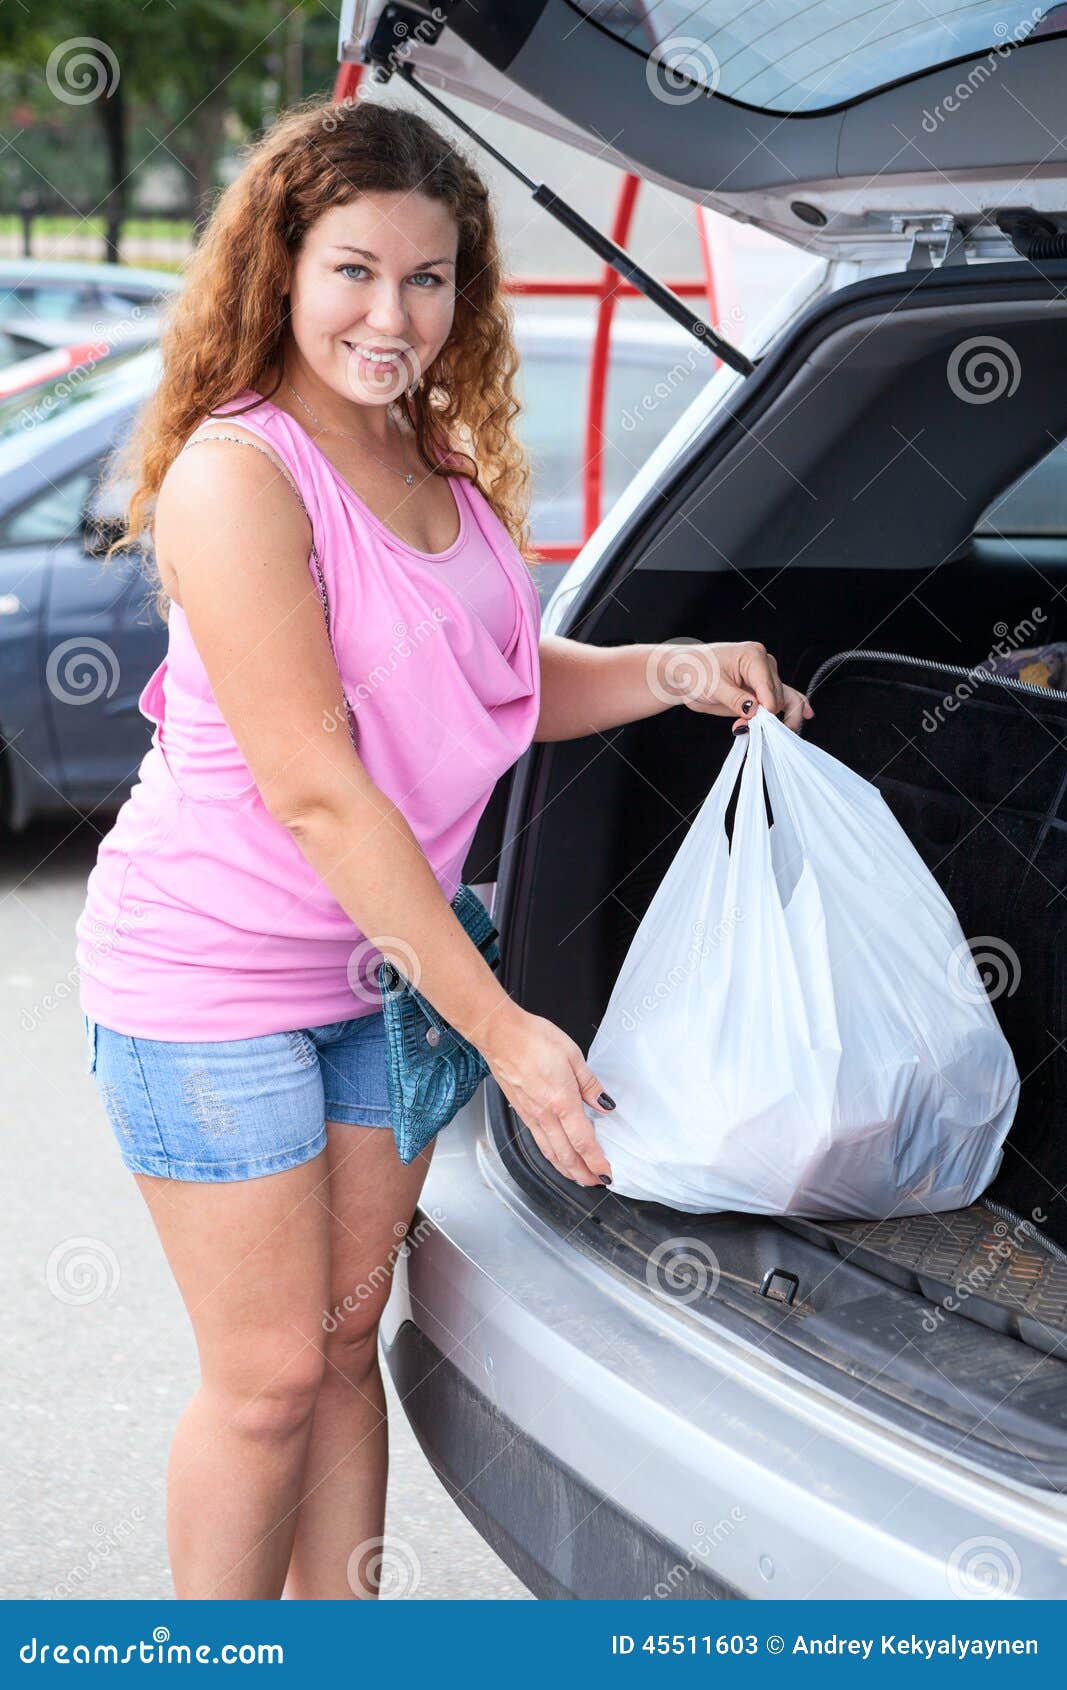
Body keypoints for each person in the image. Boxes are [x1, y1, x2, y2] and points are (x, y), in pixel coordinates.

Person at [74, 95, 812, 1603]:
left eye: (429, 277)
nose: (391, 312)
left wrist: (680, 665)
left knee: (349, 1347)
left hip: (381, 975)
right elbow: (323, 791)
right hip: (212, 982)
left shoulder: (437, 465)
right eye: (353, 270)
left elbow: (505, 685)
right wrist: (513, 1035)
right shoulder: (240, 475)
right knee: (271, 1374)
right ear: (281, 270)